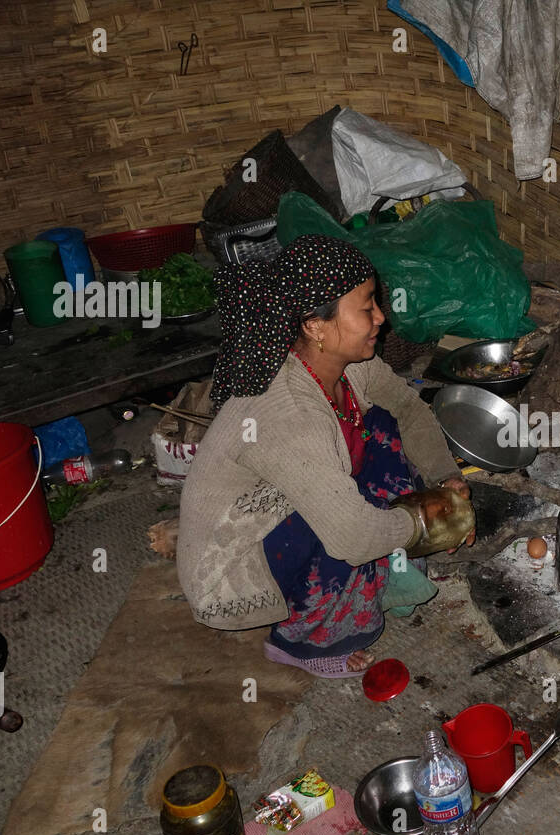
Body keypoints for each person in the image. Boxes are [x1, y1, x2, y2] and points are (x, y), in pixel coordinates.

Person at [177, 234, 474, 677]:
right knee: (348, 530)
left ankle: (384, 561)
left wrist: (445, 478)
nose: (381, 318)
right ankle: (302, 641)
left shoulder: (349, 363)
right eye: (368, 306)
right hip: (235, 565)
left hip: (299, 498)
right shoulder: (287, 413)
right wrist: (432, 523)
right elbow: (351, 537)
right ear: (316, 326)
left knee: (385, 423)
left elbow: (410, 407)